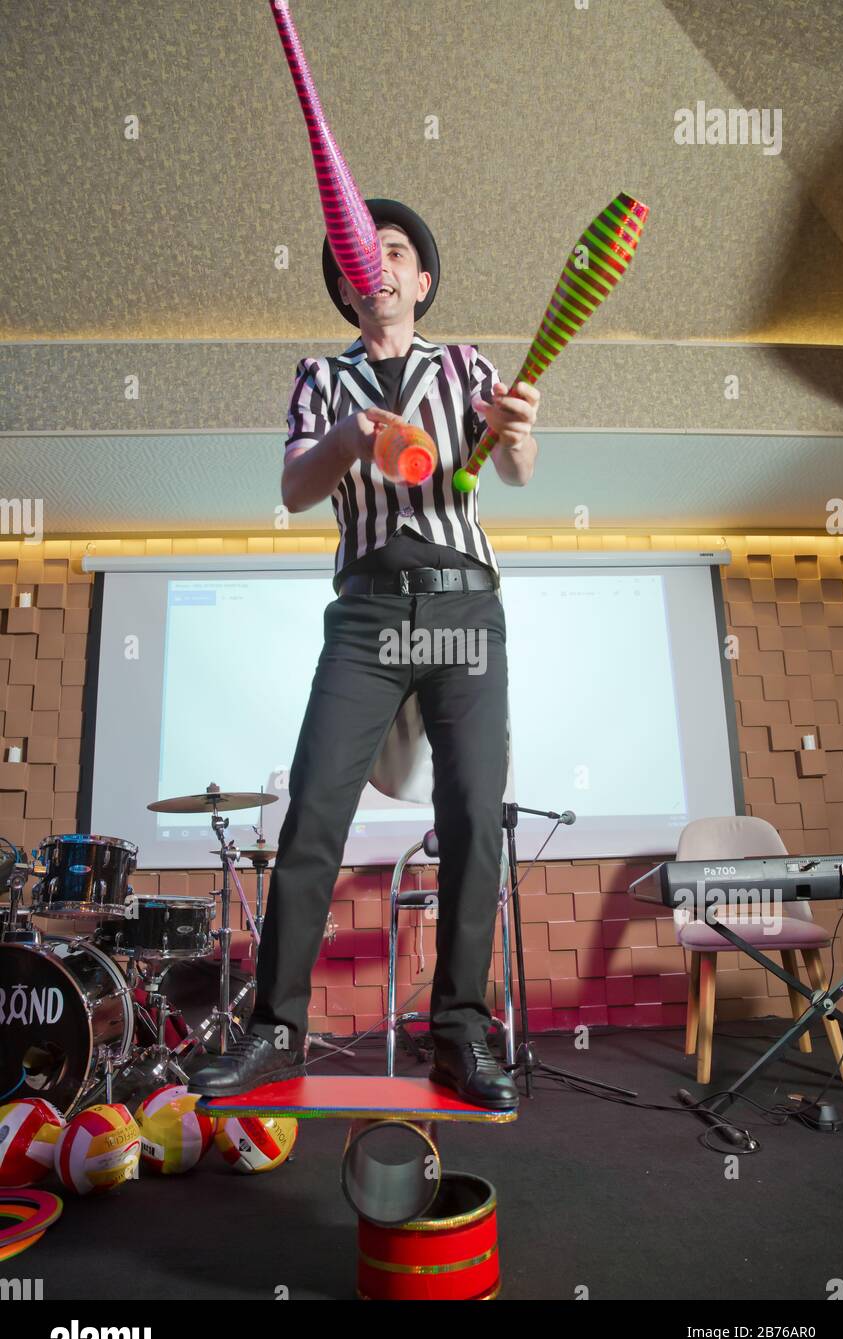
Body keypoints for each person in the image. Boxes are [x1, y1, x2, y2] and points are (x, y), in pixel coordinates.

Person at [193, 199, 539, 1108]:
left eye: (394, 251)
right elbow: (298, 488)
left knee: (471, 815)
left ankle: (460, 1036)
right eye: (359, 255)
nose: (376, 263)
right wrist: (355, 436)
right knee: (312, 812)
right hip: (367, 613)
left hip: (464, 604)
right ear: (348, 289)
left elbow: (515, 470)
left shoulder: (465, 365)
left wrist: (520, 428)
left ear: (419, 281)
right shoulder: (320, 379)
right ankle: (276, 1031)